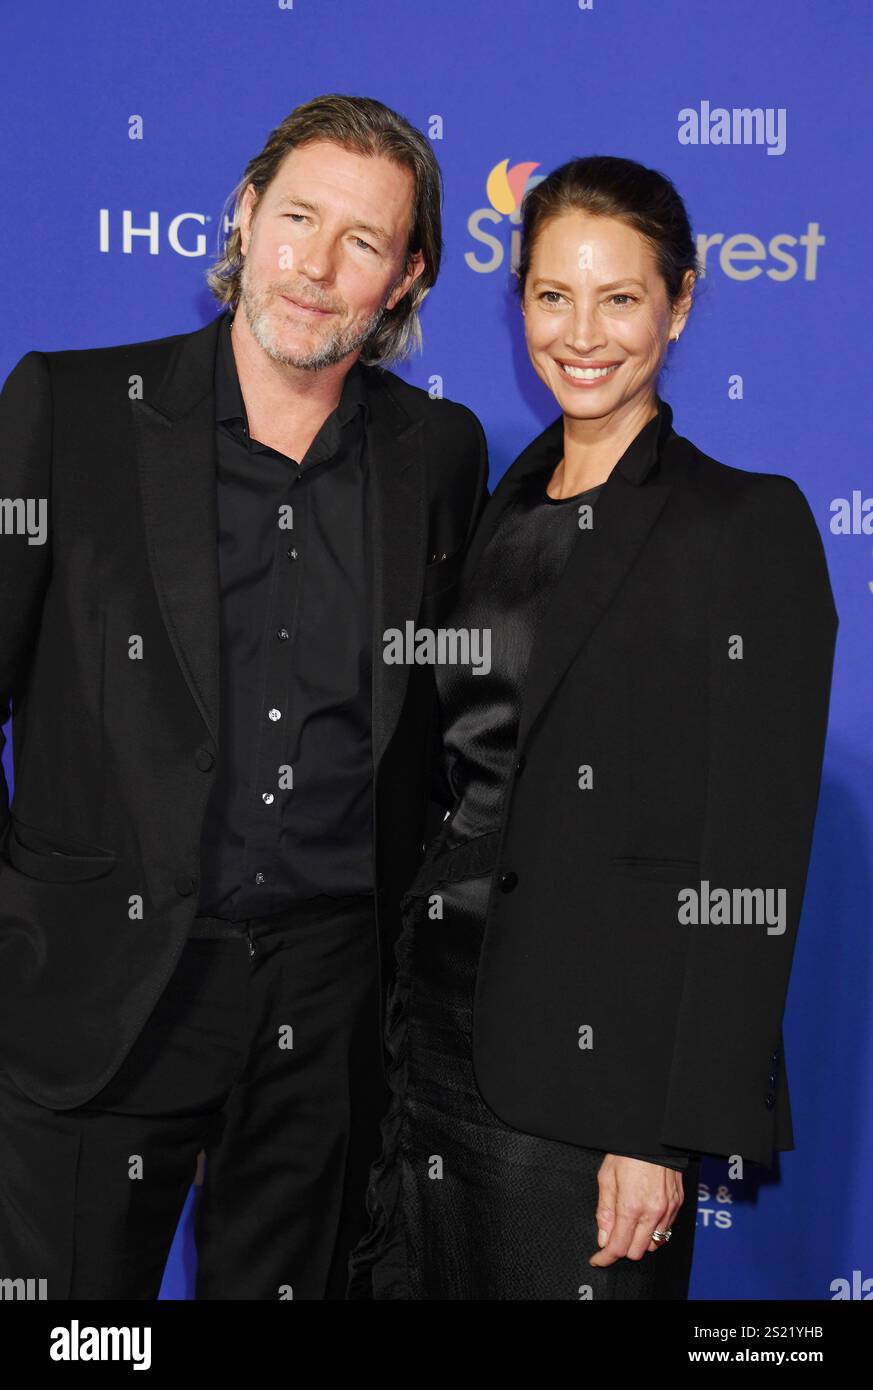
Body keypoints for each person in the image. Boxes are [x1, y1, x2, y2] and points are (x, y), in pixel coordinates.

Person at [0, 94, 488, 1299]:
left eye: (362, 243)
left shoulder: (440, 455)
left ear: (408, 277)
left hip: (325, 1014)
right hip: (98, 992)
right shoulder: (69, 413)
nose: (315, 269)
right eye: (298, 218)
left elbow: (446, 738)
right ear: (245, 214)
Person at [347, 154, 838, 1301]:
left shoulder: (743, 525)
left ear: (680, 299)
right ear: (517, 301)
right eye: (553, 296)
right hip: (423, 1046)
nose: (584, 333)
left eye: (621, 297)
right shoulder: (491, 508)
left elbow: (748, 863)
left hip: (587, 1098)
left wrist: (662, 1128)